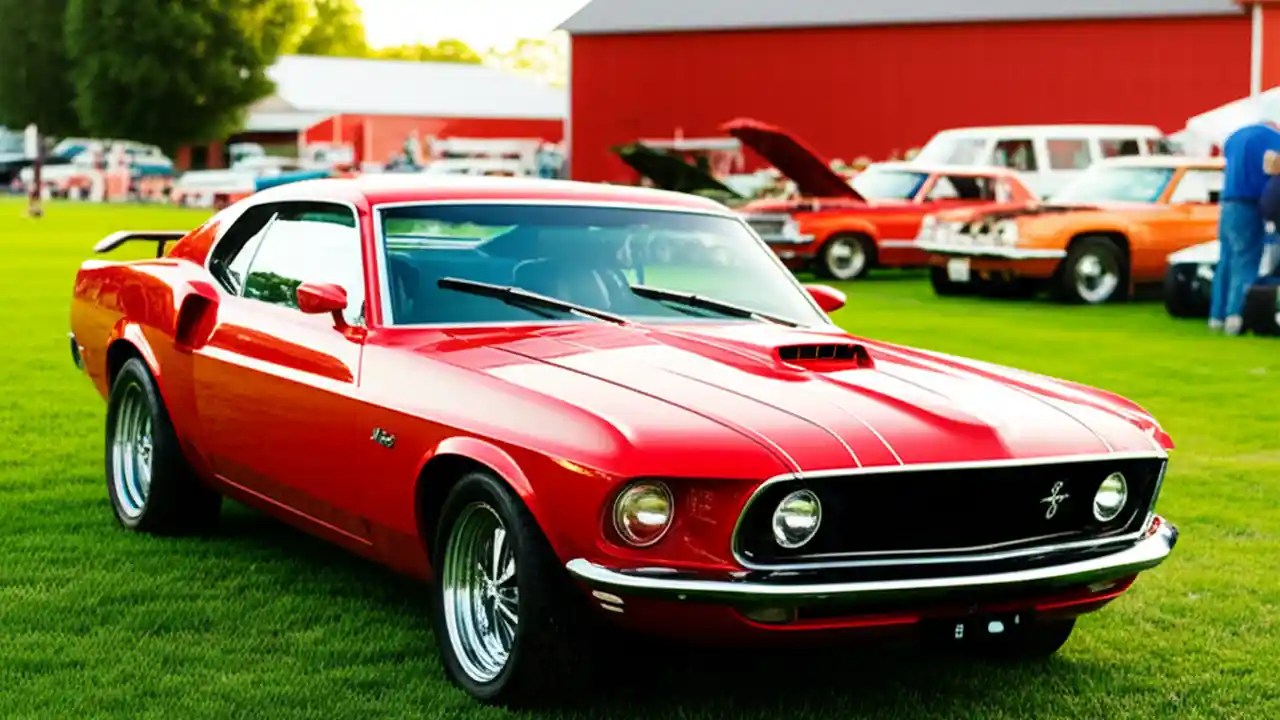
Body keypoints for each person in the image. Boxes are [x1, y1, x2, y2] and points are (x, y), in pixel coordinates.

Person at [1213, 120, 1280, 334]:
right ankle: (1237, 316)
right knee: (1247, 261)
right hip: (1250, 204)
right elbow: (1272, 168)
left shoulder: (1234, 137)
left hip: (1228, 203)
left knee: (1226, 261)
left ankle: (1217, 316)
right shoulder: (1272, 139)